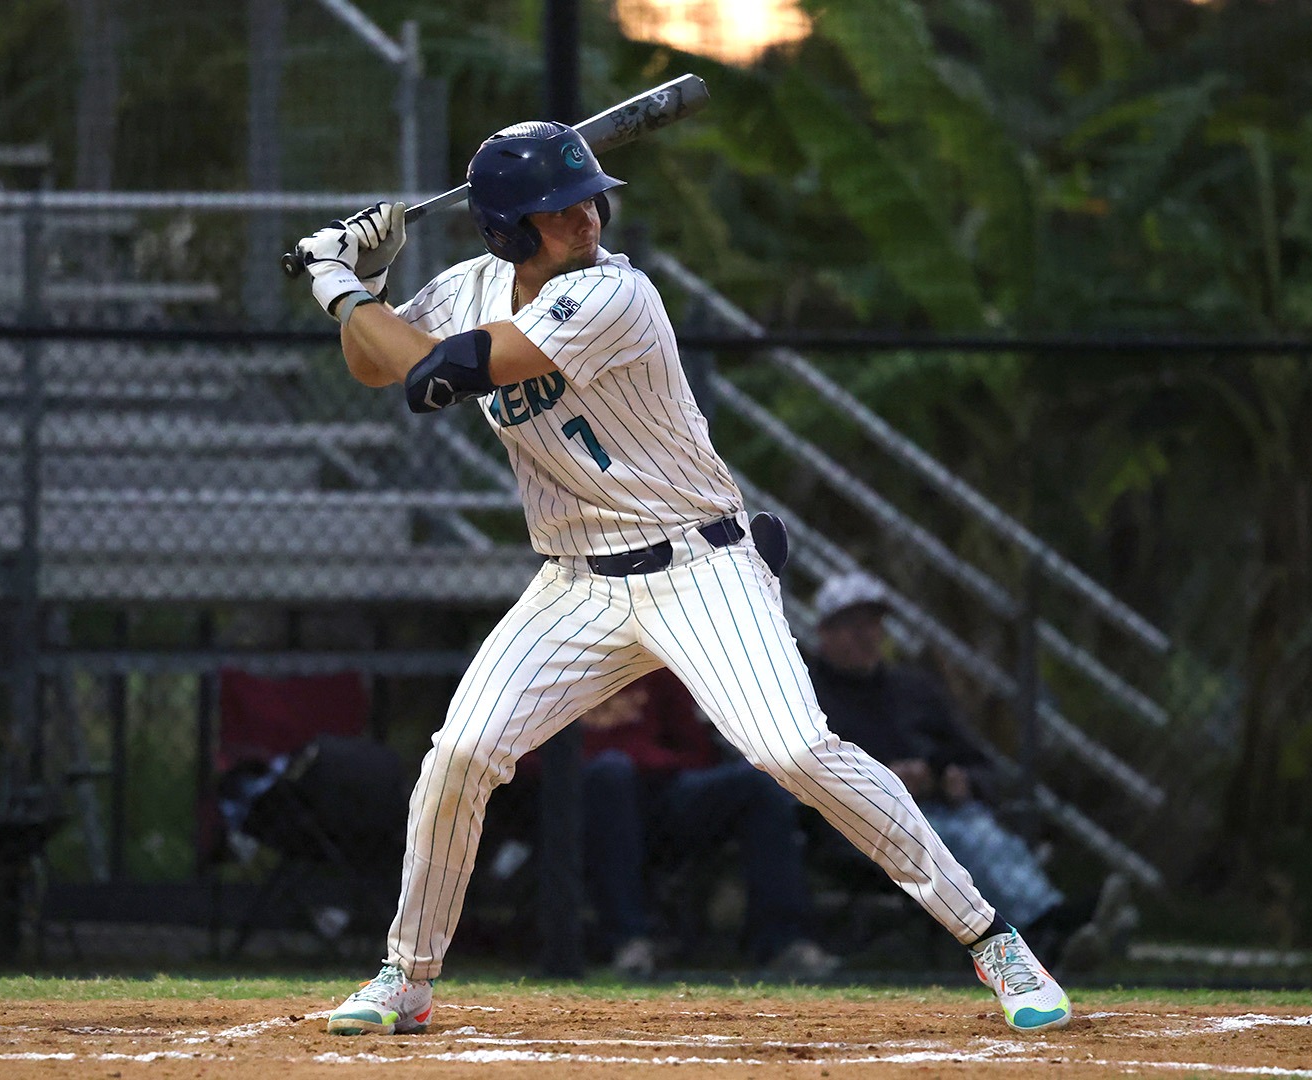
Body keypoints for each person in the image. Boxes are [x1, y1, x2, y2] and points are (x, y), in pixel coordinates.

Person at [291, 120, 1073, 1034]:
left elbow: (438, 375)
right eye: (555, 208)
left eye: (585, 197)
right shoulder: (467, 285)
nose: (583, 215)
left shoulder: (617, 294)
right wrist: (371, 288)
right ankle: (406, 977)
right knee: (461, 754)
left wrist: (337, 283)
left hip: (699, 566)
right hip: (575, 583)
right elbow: (372, 367)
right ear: (506, 228)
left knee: (793, 752)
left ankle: (991, 940)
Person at [804, 572, 1137, 971]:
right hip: (863, 822)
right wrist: (883, 778)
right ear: (823, 631)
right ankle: (1054, 928)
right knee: (966, 836)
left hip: (943, 809)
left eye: (873, 624)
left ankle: (1051, 931)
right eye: (852, 625)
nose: (866, 636)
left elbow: (980, 764)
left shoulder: (913, 690)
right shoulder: (807, 693)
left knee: (979, 829)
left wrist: (961, 781)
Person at [575, 669, 835, 981]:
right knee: (611, 773)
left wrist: (647, 763)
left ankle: (783, 943)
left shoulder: (651, 668)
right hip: (577, 804)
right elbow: (526, 757)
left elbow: (696, 751)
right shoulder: (552, 667)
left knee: (757, 782)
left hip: (659, 791)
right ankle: (629, 942)